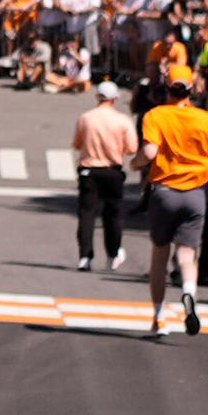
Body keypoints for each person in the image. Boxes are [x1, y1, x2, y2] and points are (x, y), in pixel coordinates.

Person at [137, 77, 208, 336]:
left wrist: (135, 164)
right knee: (187, 253)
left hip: (165, 190)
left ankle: (159, 315)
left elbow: (150, 153)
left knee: (160, 254)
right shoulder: (205, 119)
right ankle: (188, 292)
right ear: (191, 92)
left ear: (167, 89)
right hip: (195, 193)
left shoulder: (157, 115)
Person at [72, 82, 138, 274]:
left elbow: (77, 143)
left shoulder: (86, 118)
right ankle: (113, 254)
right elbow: (132, 148)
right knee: (113, 215)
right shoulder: (122, 121)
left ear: (97, 97)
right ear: (115, 99)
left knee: (87, 214)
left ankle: (85, 256)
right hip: (112, 170)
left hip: (89, 170)